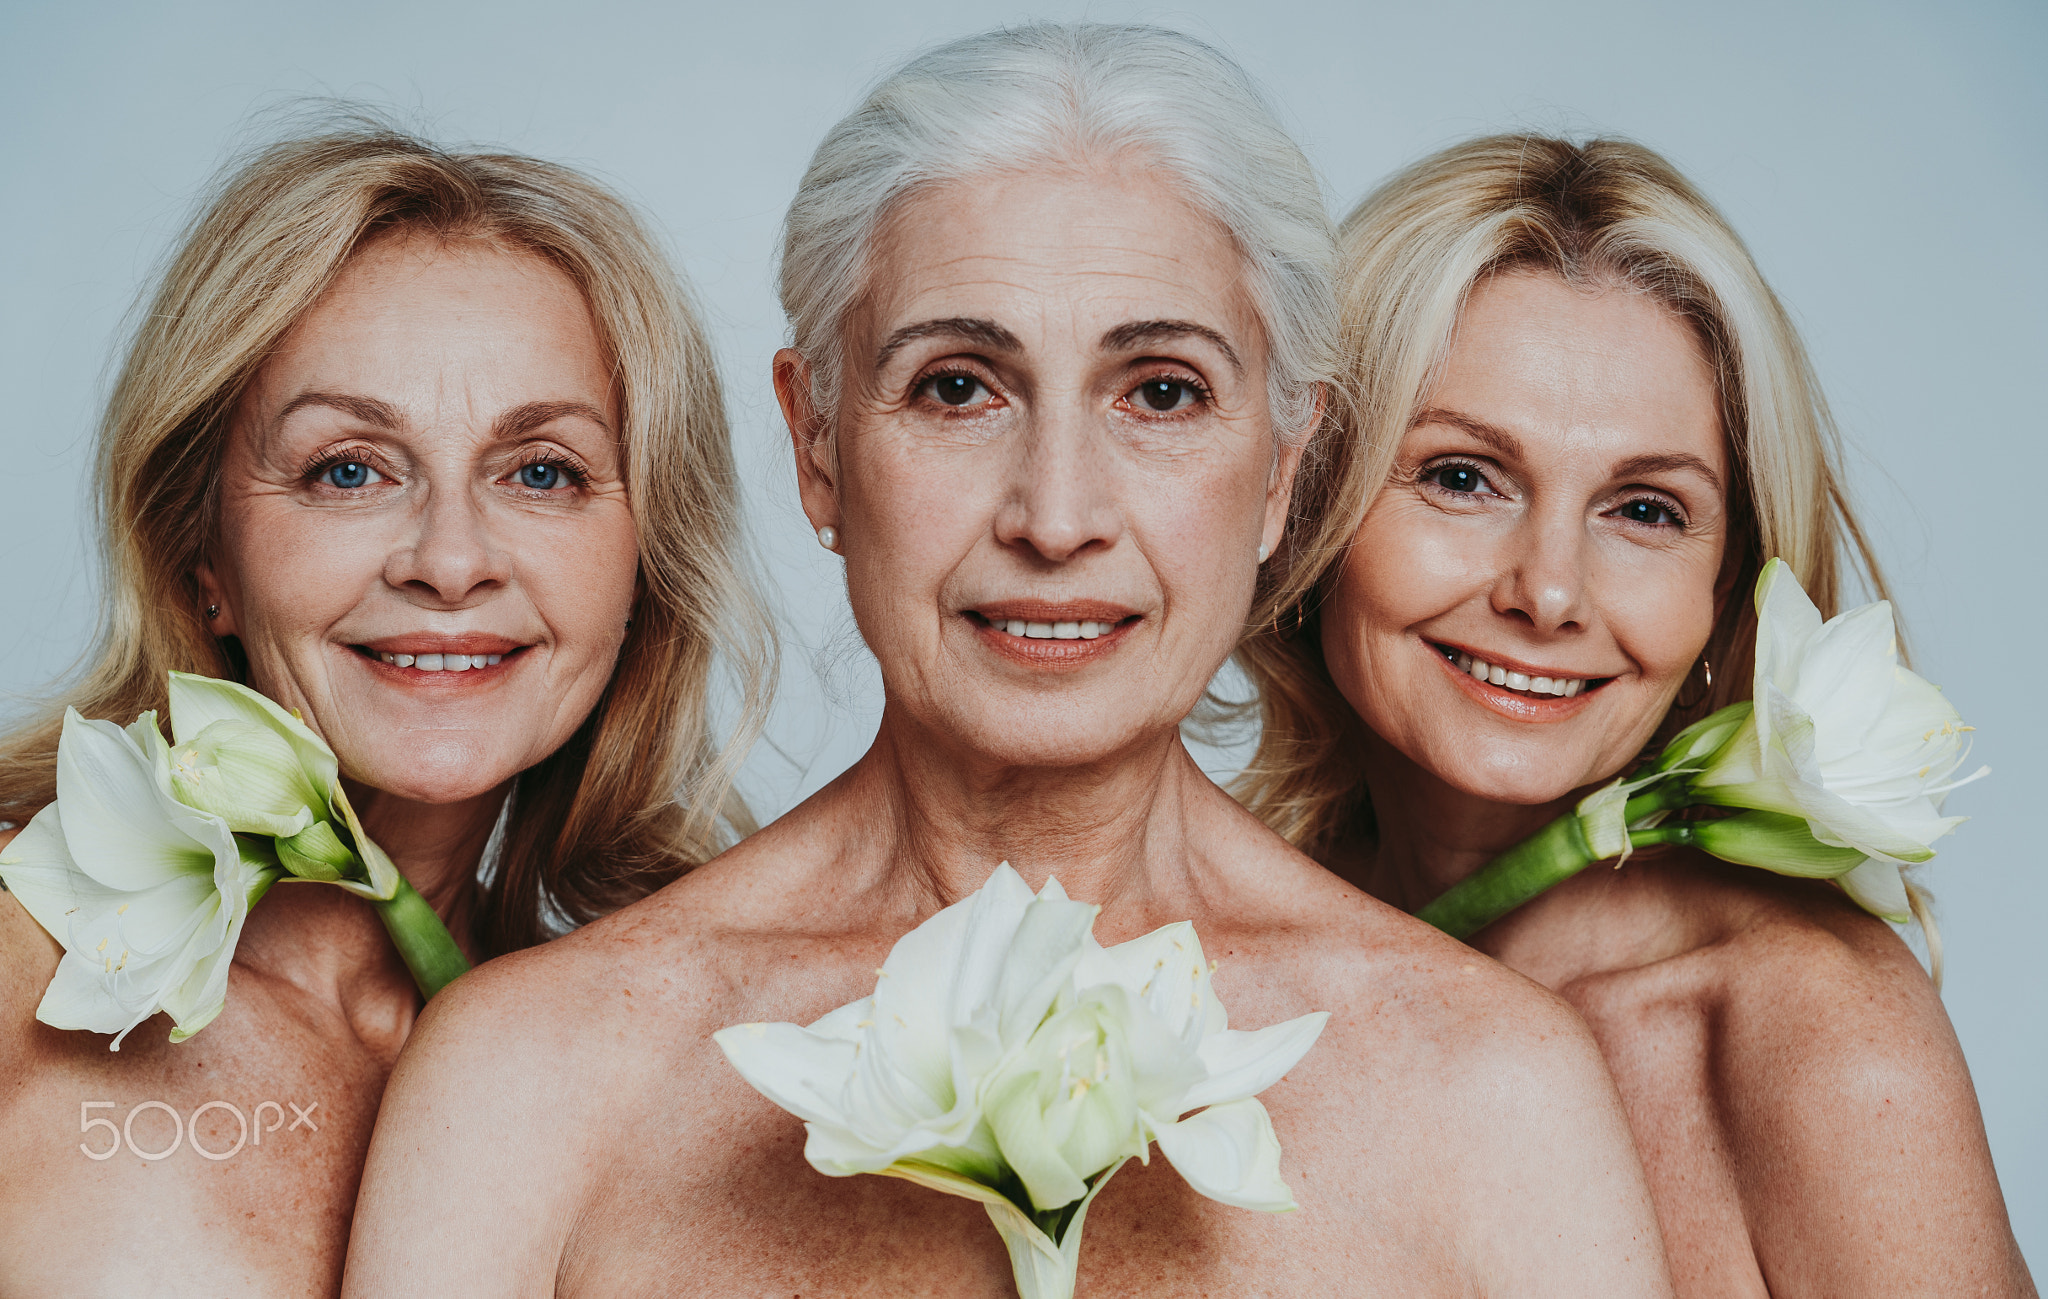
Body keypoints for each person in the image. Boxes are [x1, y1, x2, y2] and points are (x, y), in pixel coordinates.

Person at [345, 28, 1673, 1297]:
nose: (1055, 514)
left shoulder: (1498, 1085)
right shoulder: (529, 1077)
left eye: (1160, 392)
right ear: (819, 447)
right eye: (957, 387)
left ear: (1280, 467)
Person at [1237, 133, 2034, 1295]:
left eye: (1645, 510)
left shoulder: (1817, 1043)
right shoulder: (1184, 975)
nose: (1547, 592)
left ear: (1728, 585)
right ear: (1308, 501)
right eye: (1461, 476)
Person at [0, 119, 770, 1296]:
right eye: (347, 469)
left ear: (642, 564)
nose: (449, 561)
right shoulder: (19, 964)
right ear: (202, 557)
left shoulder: (667, 1072)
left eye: (541, 472)